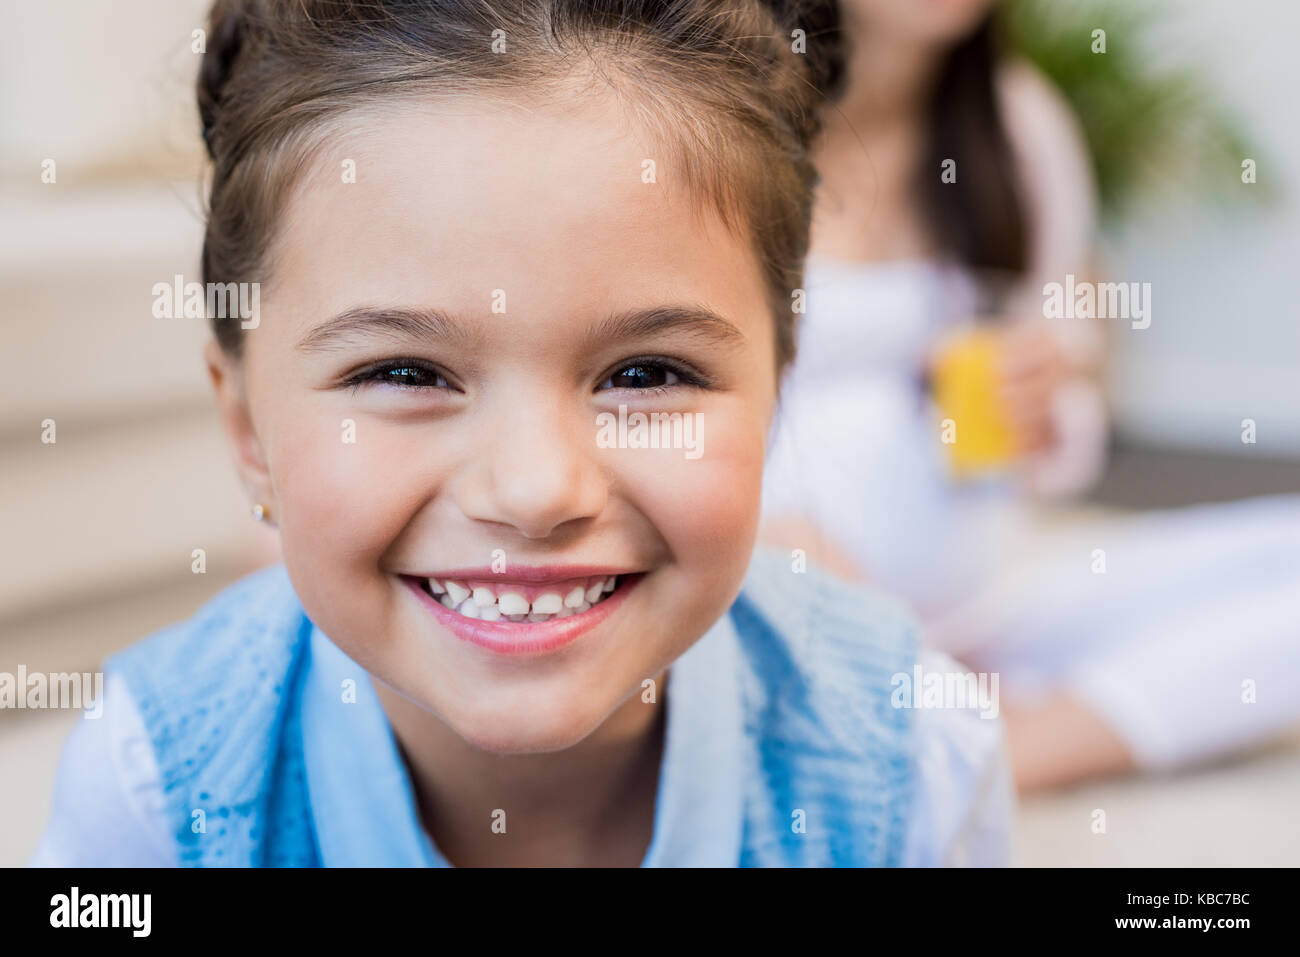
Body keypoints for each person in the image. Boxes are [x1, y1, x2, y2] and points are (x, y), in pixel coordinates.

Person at [30, 0, 1011, 868]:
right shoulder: (154, 793)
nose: (536, 490)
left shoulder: (913, 764)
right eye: (405, 373)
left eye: (646, 374)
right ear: (247, 426)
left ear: (777, 389)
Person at [761, 0, 1300, 792]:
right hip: (786, 599)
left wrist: (1048, 409)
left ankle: (989, 742)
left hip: (983, 601)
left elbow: (1068, 430)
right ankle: (962, 728)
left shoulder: (1017, 125)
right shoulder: (736, 112)